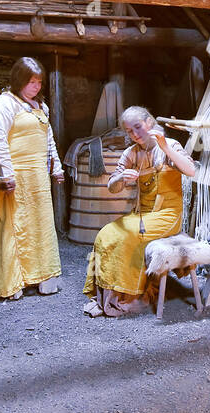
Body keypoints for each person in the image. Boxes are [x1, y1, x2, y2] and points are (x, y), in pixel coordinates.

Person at [83, 106, 197, 316]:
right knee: (106, 233)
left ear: (149, 123)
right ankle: (107, 294)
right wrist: (121, 178)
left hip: (167, 215)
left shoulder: (169, 146)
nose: (135, 134)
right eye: (129, 131)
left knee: (126, 236)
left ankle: (129, 295)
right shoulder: (132, 153)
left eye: (138, 127)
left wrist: (166, 148)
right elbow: (112, 187)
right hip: (143, 214)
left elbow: (191, 170)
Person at [0, 57, 64, 301]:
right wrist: (5, 175)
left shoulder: (40, 106)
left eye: (39, 82)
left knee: (39, 228)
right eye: (32, 82)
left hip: (37, 179)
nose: (37, 86)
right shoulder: (2, 105)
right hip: (15, 176)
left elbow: (48, 138)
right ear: (19, 80)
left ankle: (42, 277)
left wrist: (56, 167)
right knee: (14, 227)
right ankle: (14, 282)